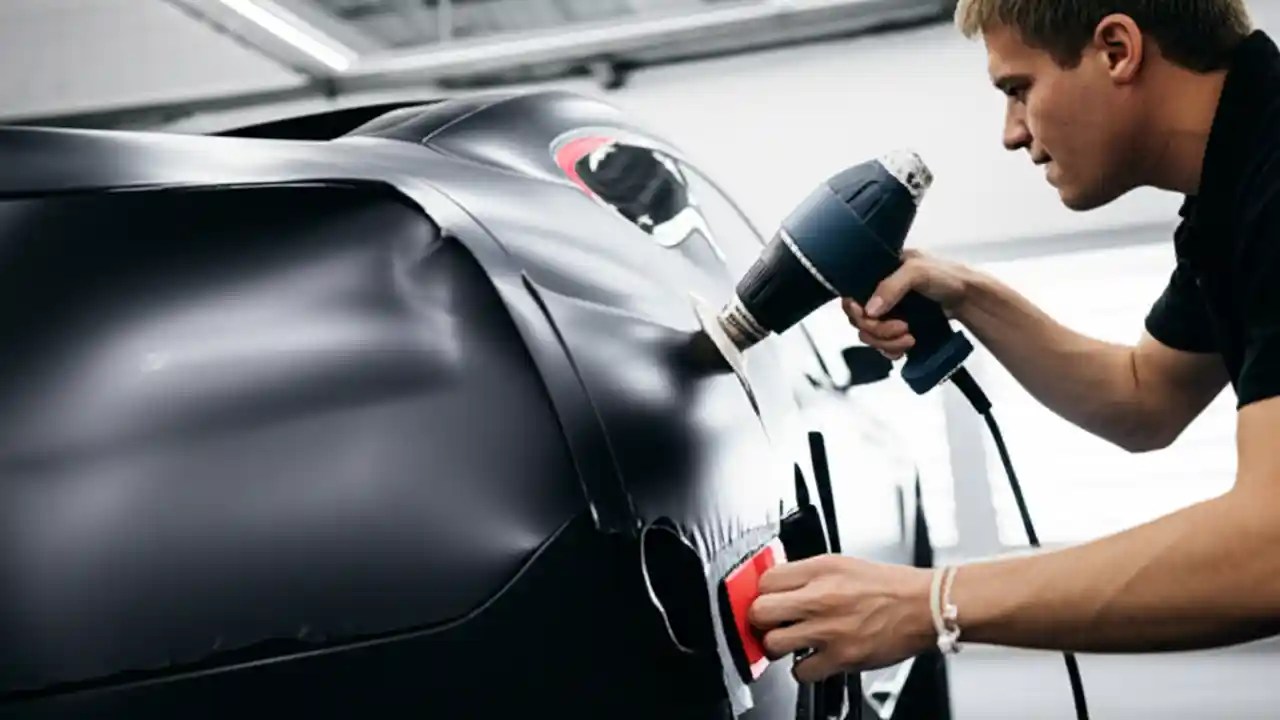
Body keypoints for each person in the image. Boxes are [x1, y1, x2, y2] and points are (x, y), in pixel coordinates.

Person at [749, 0, 1280, 684]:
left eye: (1017, 89)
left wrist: (933, 603)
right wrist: (969, 295)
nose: (1010, 133)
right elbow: (1144, 400)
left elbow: (1271, 546)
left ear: (1116, 49)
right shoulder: (1230, 195)